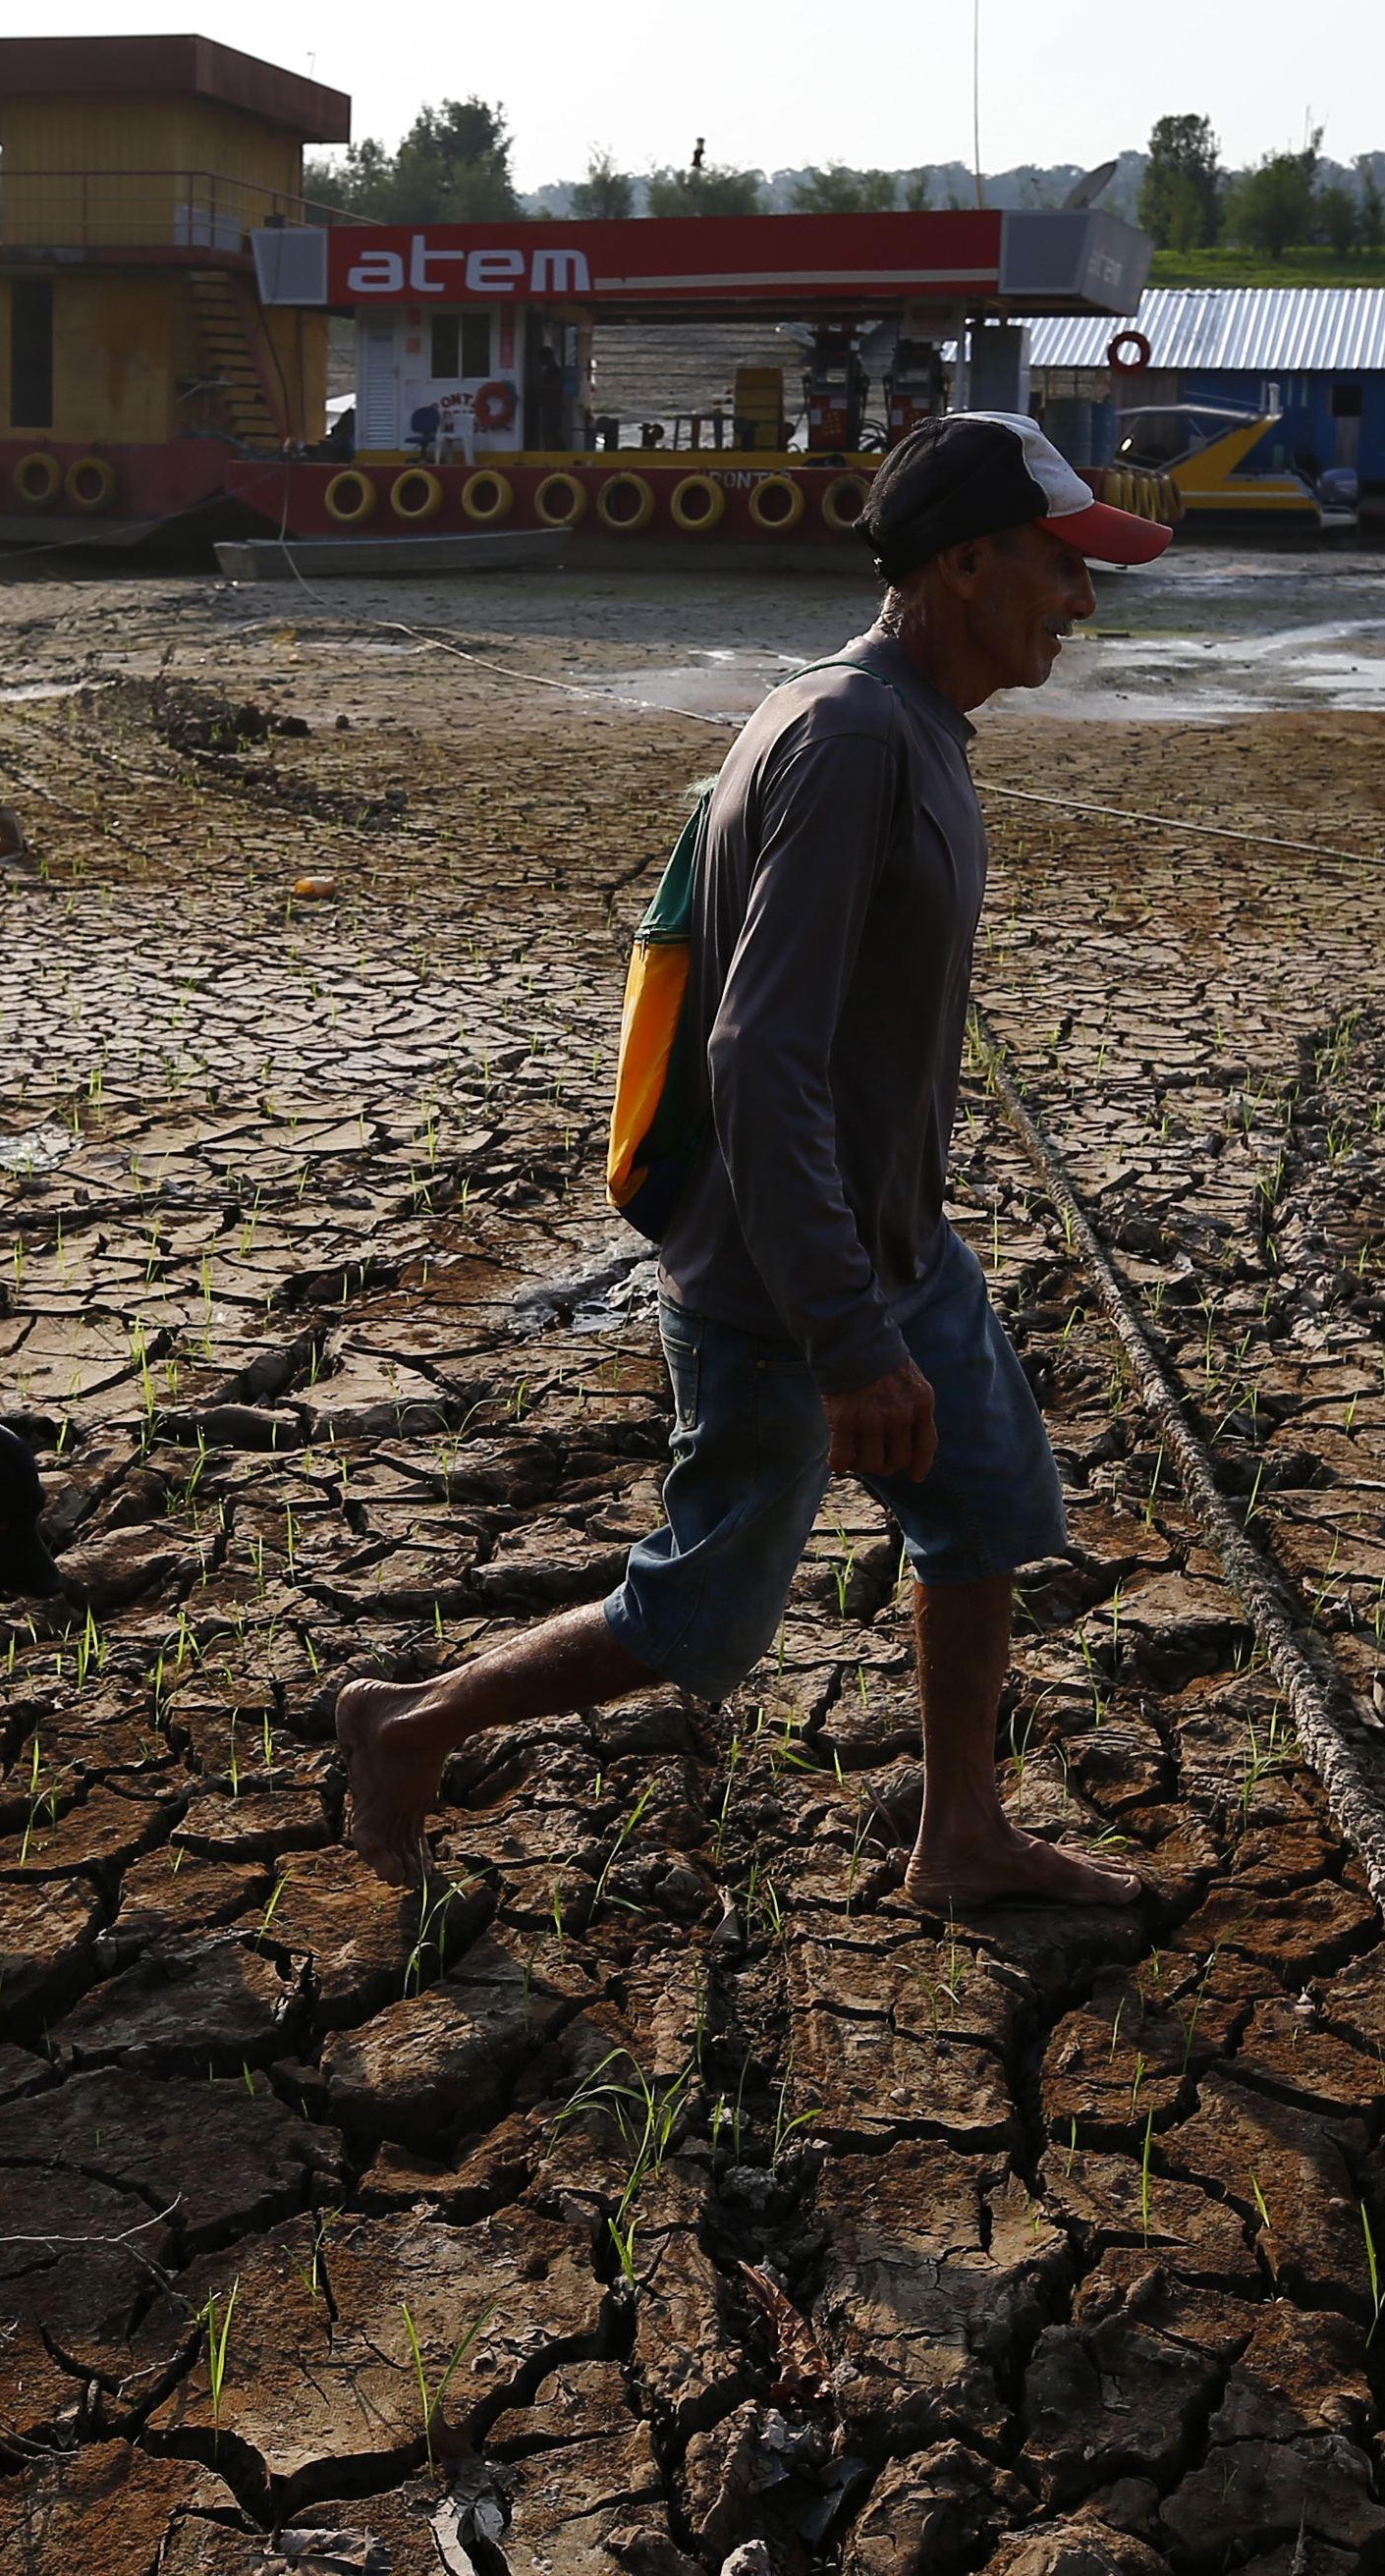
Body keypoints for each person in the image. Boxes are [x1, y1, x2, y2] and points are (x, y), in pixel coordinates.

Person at [337, 411, 1172, 1907]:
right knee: (702, 1615)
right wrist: (847, 1340)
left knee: (984, 1514)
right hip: (789, 1290)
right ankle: (407, 1720)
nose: (1082, 603)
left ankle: (960, 1836)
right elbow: (756, 1051)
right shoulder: (849, 737)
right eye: (1060, 566)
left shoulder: (905, 721)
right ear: (962, 559)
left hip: (895, 1248)